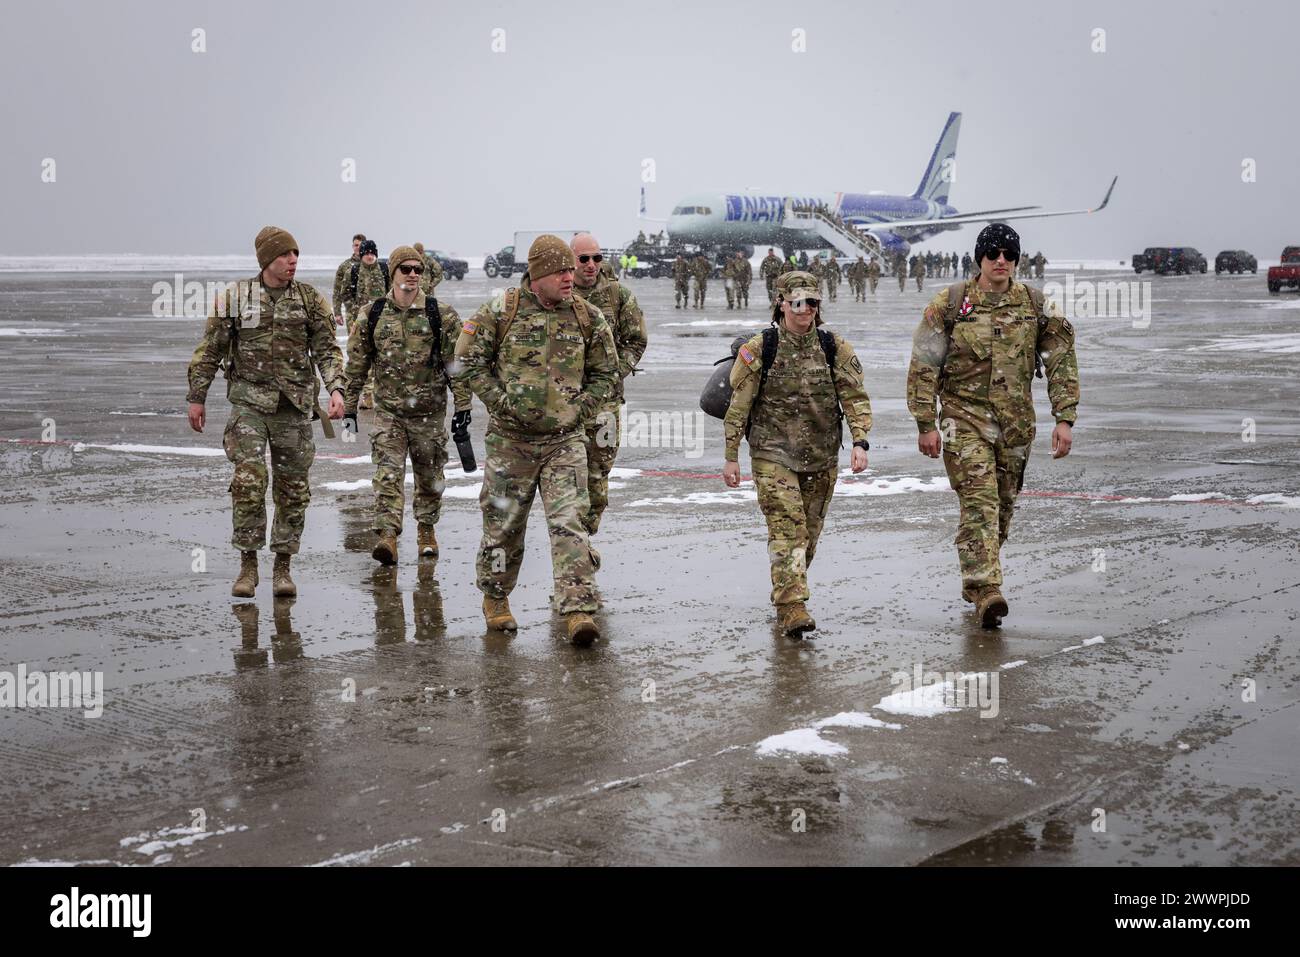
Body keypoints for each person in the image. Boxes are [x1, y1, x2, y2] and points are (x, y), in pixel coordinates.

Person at [906, 223, 1079, 627]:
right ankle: (986, 588)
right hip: (961, 422)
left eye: (1009, 255)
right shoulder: (950, 304)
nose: (1001, 261)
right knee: (980, 502)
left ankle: (979, 573)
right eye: (992, 254)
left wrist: (1065, 418)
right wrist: (924, 422)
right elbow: (923, 365)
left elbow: (1061, 362)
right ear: (979, 259)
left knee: (1001, 508)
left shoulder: (1036, 306)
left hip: (1016, 426)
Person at [454, 235, 619, 645]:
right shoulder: (501, 311)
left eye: (571, 270)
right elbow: (467, 360)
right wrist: (498, 401)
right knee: (503, 528)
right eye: (561, 271)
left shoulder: (587, 316)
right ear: (538, 274)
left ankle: (578, 608)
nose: (570, 277)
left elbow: (607, 373)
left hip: (565, 442)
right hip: (511, 443)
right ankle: (495, 598)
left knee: (569, 524)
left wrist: (581, 409)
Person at [187, 226, 345, 598]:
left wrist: (337, 388)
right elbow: (210, 349)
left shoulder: (309, 300)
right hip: (249, 406)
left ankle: (283, 568)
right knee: (249, 482)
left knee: (293, 490)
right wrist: (197, 396)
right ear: (266, 260)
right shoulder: (236, 298)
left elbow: (327, 350)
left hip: (293, 408)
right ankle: (247, 566)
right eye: (284, 256)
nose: (292, 262)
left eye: (295, 255)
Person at [722, 272, 873, 637]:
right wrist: (731, 455)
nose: (805, 309)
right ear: (782, 304)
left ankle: (788, 590)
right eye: (797, 303)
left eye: (812, 303)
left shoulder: (834, 347)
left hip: (821, 455)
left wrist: (859, 441)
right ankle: (793, 605)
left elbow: (854, 397)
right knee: (788, 529)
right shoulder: (761, 347)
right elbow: (739, 404)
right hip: (772, 453)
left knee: (808, 535)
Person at [342, 245, 472, 566]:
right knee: (387, 475)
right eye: (406, 269)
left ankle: (426, 531)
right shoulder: (371, 314)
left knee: (429, 477)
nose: (413, 274)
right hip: (388, 413)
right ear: (393, 273)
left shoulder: (439, 314)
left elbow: (455, 363)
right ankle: (387, 536)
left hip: (428, 414)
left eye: (418, 269)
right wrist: (348, 407)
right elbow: (357, 364)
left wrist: (463, 407)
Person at [570, 233, 648, 548]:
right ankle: (572, 544)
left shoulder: (618, 295)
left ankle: (586, 530)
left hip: (605, 405)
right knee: (565, 478)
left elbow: (636, 340)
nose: (591, 265)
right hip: (567, 404)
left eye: (597, 258)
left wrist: (615, 372)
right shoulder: (558, 293)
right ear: (571, 259)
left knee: (597, 479)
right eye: (584, 258)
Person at [332, 233, 365, 327]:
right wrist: (337, 313)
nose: (358, 247)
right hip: (352, 313)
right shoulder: (345, 266)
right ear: (352, 246)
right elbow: (337, 291)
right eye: (356, 245)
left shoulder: (372, 265)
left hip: (371, 311)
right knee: (354, 340)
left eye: (361, 245)